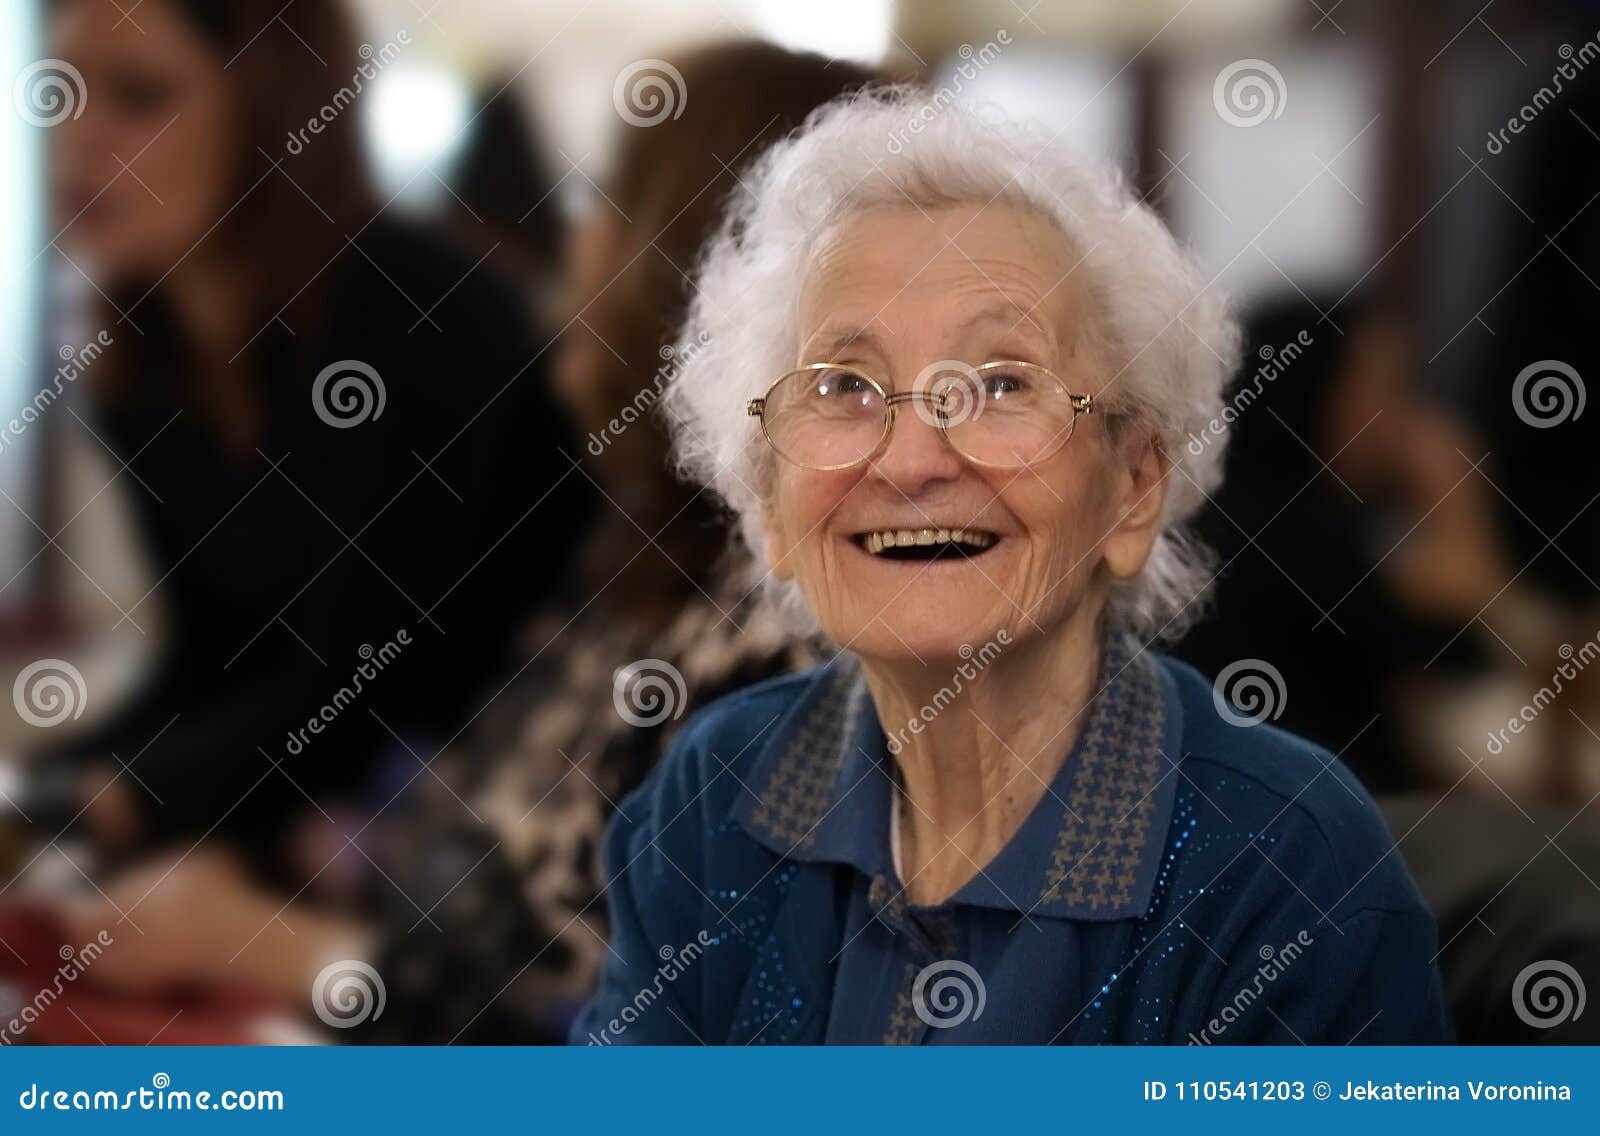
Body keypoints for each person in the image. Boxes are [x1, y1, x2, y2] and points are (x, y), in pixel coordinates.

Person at [571, 90, 1454, 1044]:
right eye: (843, 387)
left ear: (1133, 484)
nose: (912, 461)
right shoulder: (717, 796)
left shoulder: (1286, 871)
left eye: (1001, 384)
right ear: (772, 502)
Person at [57, 42, 883, 1044]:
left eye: (610, 201)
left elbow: (619, 1038)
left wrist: (276, 937)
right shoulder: (637, 563)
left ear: (699, 261)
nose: (571, 239)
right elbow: (240, 673)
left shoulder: (781, 636)